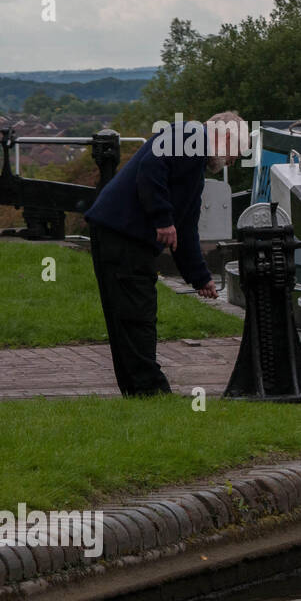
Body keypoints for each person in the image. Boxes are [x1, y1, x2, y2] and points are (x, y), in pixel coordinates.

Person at [84, 112, 243, 396]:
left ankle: (139, 390)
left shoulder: (194, 164)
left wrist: (200, 277)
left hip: (119, 232)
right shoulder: (192, 135)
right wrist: (162, 218)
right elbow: (150, 168)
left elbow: (185, 228)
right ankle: (149, 390)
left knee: (128, 314)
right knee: (136, 313)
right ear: (227, 136)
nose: (234, 161)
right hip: (123, 234)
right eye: (236, 152)